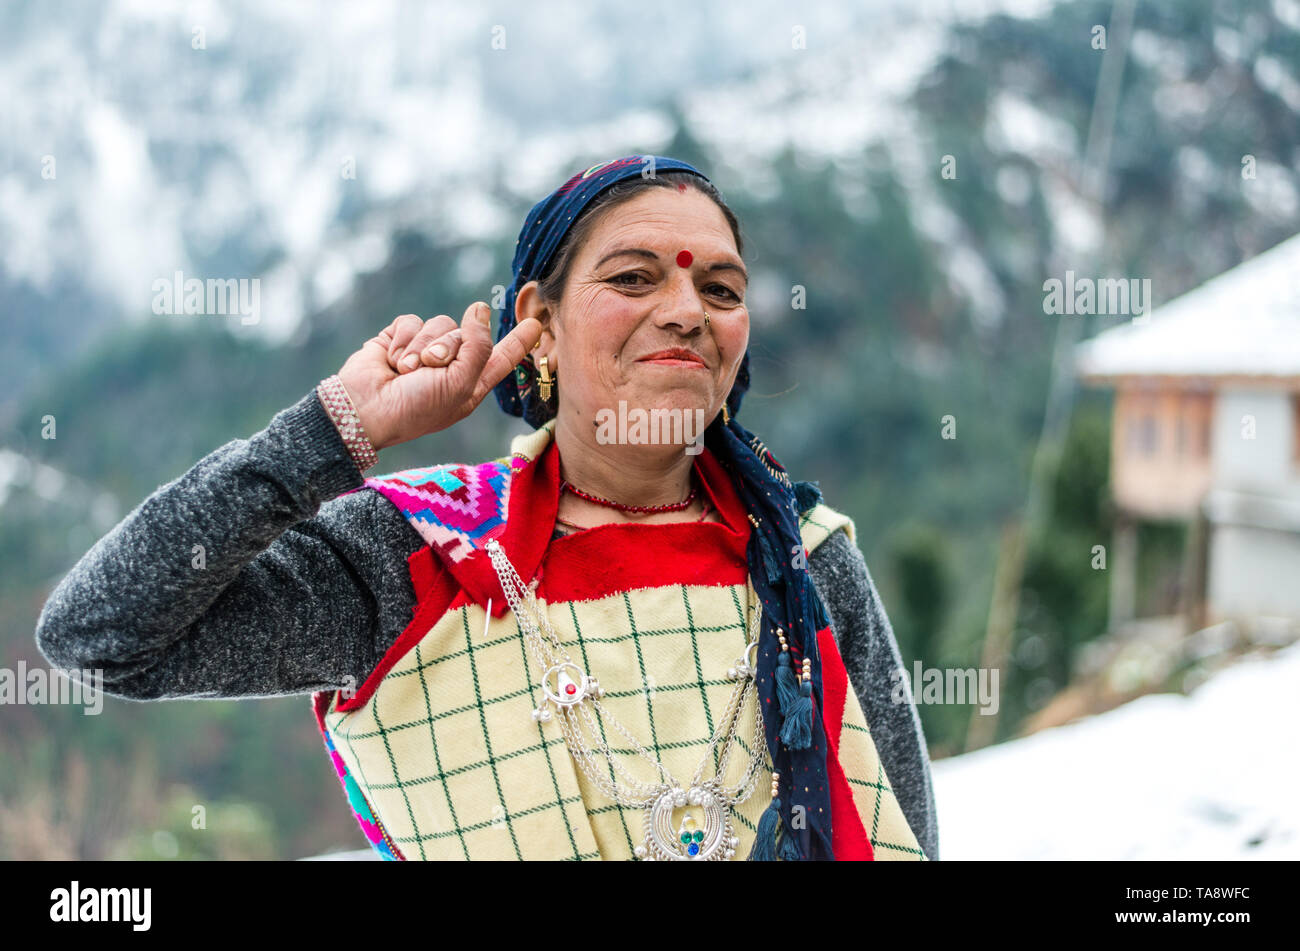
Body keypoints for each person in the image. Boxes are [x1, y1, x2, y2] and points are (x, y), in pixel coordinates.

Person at [35, 155, 938, 862]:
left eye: (721, 289)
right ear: (536, 319)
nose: (685, 311)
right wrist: (333, 429)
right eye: (632, 278)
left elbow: (898, 832)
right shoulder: (418, 559)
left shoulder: (805, 563)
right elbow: (100, 636)